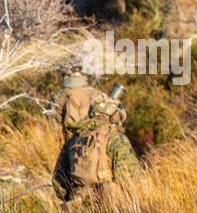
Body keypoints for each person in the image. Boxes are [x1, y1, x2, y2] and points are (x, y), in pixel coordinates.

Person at [52, 71, 141, 204]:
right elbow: (129, 179)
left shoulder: (73, 140)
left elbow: (58, 182)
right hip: (110, 205)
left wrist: (74, 196)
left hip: (77, 207)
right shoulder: (115, 138)